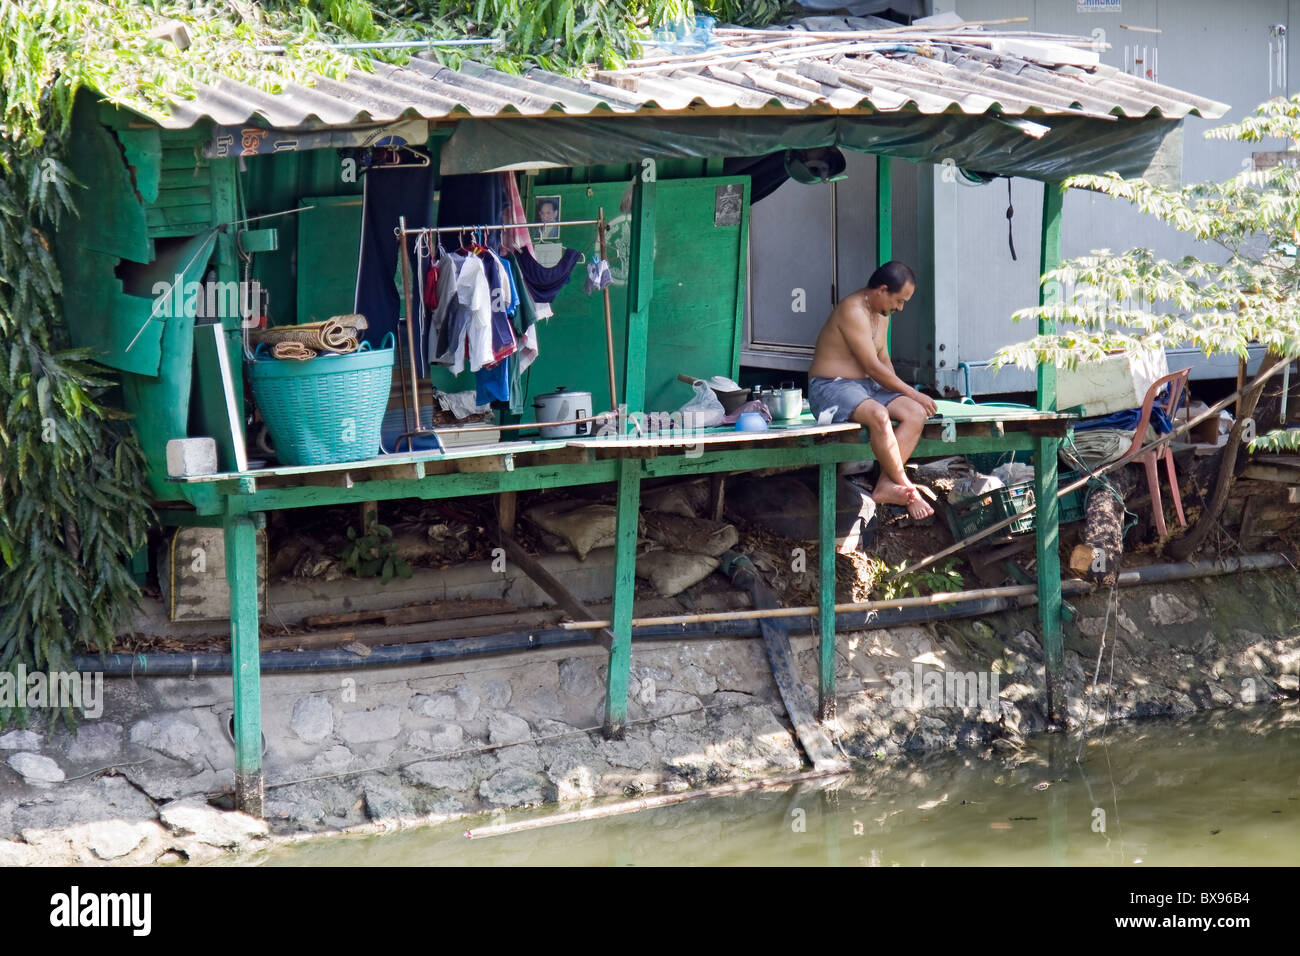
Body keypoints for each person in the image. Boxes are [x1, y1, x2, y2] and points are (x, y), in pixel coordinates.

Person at [808, 260, 937, 519]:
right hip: (832, 387)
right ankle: (906, 485)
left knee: (915, 412)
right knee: (879, 415)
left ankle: (886, 484)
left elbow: (883, 361)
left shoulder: (881, 314)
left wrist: (906, 396)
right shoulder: (852, 310)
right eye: (899, 301)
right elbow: (872, 366)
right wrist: (914, 391)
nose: (900, 308)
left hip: (868, 387)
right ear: (882, 290)